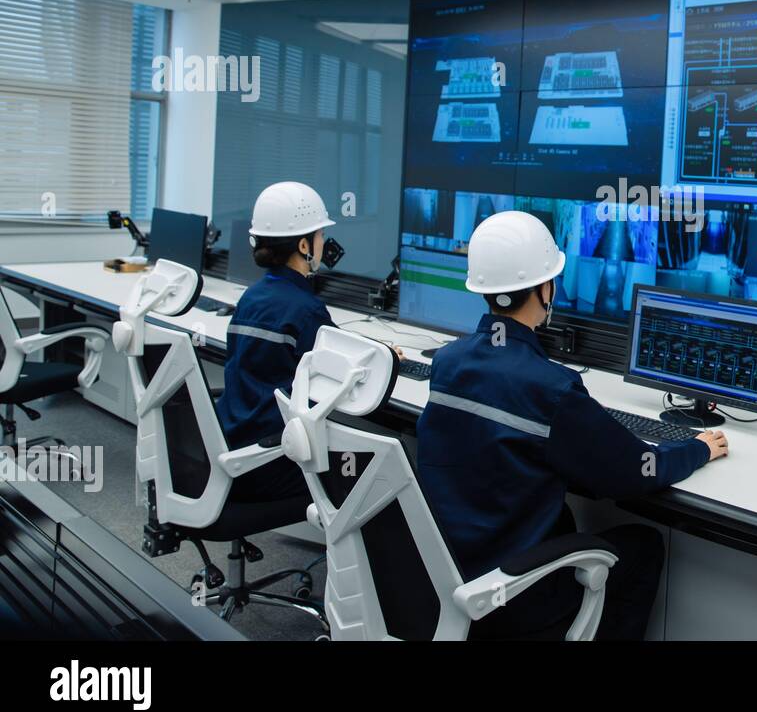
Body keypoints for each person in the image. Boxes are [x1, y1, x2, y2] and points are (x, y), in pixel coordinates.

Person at [416, 210, 727, 640]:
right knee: (643, 544)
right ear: (547, 288)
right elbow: (637, 472)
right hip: (517, 594)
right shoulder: (552, 387)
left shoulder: (447, 362)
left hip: (446, 577)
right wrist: (696, 449)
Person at [216, 181, 352, 500]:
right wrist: (384, 356)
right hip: (272, 458)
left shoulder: (251, 298)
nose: (323, 242)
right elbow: (339, 371)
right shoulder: (305, 310)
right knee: (368, 470)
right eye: (319, 236)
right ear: (304, 246)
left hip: (234, 442)